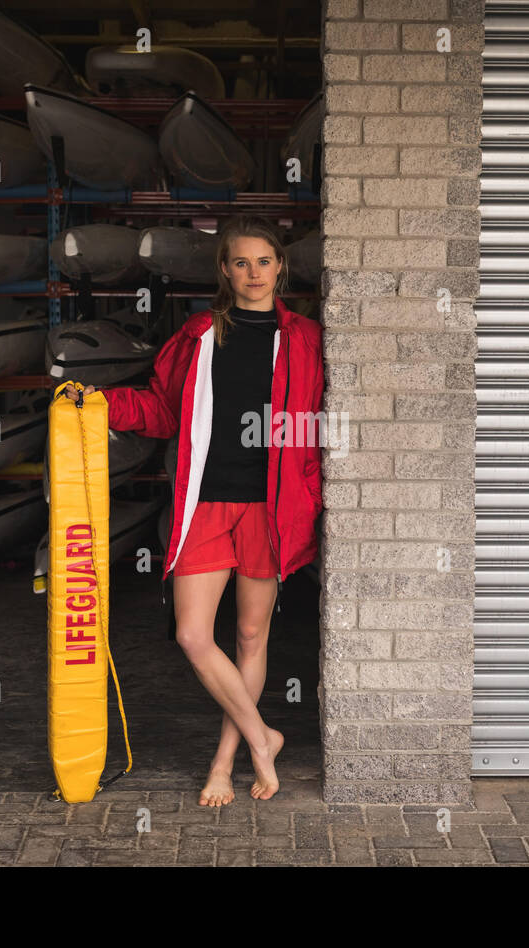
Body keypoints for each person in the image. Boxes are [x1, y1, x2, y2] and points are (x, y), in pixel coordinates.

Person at [63, 215, 324, 805]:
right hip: (206, 503)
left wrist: (314, 487)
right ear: (224, 270)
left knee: (251, 636)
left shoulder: (308, 338)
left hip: (271, 508)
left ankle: (225, 760)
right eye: (240, 262)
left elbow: (322, 422)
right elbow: (161, 409)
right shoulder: (200, 335)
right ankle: (264, 739)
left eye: (264, 261)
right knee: (191, 634)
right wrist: (100, 403)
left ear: (280, 267)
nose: (253, 273)